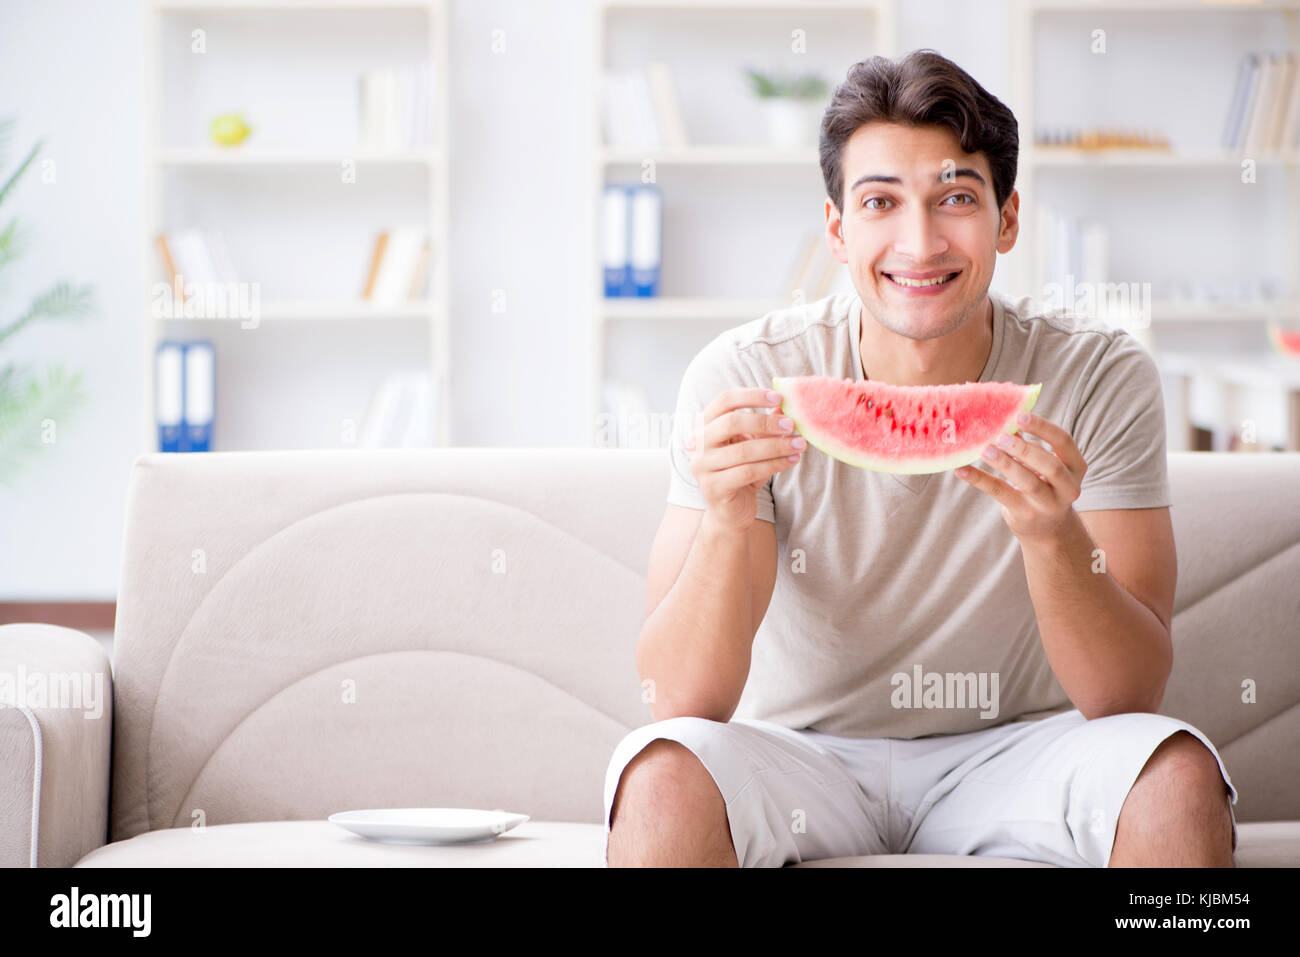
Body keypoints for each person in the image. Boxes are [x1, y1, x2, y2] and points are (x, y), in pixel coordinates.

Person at [603, 49, 1237, 868]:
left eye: (957, 198)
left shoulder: (1098, 374)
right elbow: (680, 701)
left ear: (1008, 219)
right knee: (660, 781)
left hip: (1019, 752)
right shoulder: (747, 377)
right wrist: (727, 520)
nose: (920, 240)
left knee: (1177, 779)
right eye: (880, 201)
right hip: (799, 754)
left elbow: (1128, 697)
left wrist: (1053, 538)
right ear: (837, 229)